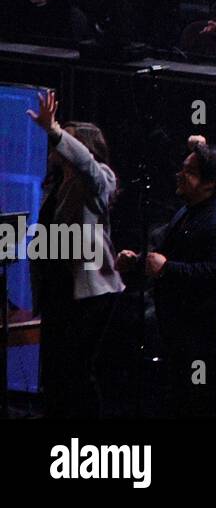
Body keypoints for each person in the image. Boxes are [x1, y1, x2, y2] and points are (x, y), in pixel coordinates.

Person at [116, 143, 216, 418]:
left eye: (189, 171)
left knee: (200, 405)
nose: (179, 174)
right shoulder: (187, 210)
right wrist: (138, 261)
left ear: (211, 182)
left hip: (207, 339)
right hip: (182, 334)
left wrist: (167, 269)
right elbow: (169, 254)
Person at [26, 88, 125, 419]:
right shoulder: (58, 183)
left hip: (87, 293)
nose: (56, 147)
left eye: (65, 142)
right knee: (54, 369)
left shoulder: (99, 179)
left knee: (76, 370)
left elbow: (85, 162)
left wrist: (54, 130)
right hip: (59, 287)